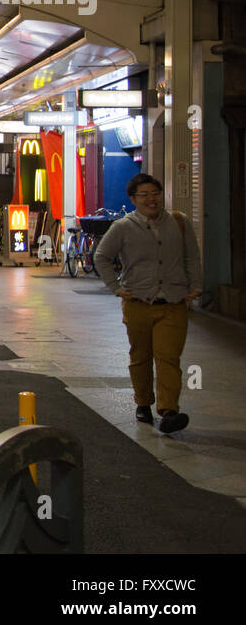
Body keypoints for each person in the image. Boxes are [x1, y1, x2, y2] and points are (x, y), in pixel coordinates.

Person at [94, 173, 202, 434]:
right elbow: (101, 257)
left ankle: (168, 411)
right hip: (138, 302)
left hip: (173, 302)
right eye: (144, 195)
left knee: (168, 358)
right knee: (140, 357)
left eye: (155, 193)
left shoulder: (179, 222)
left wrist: (195, 285)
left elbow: (192, 257)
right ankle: (143, 402)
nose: (151, 199)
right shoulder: (122, 227)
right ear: (133, 199)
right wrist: (117, 288)